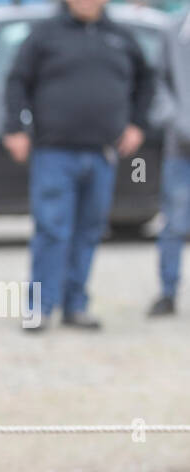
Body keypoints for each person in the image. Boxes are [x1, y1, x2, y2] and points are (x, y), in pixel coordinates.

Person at [3, 0, 153, 332]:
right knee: (52, 230)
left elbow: (146, 81)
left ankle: (75, 305)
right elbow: (17, 81)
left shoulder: (121, 37)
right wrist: (15, 128)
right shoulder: (44, 35)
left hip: (102, 155)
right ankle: (39, 308)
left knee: (89, 230)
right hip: (54, 153)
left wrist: (137, 124)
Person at [149, 11, 190, 318]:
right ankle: (168, 291)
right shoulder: (172, 29)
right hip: (181, 147)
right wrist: (177, 121)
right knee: (174, 223)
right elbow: (158, 82)